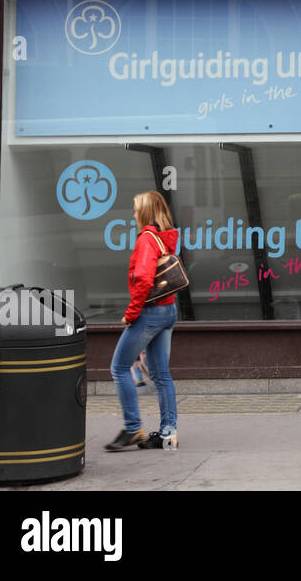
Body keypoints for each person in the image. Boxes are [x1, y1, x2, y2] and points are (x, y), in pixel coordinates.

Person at [106, 190, 180, 451]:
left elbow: (145, 280)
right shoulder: (163, 238)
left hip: (149, 313)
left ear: (146, 212)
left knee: (119, 368)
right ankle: (168, 433)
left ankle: (133, 428)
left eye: (136, 209)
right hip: (168, 311)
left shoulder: (147, 239)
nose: (133, 213)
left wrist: (131, 313)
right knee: (161, 375)